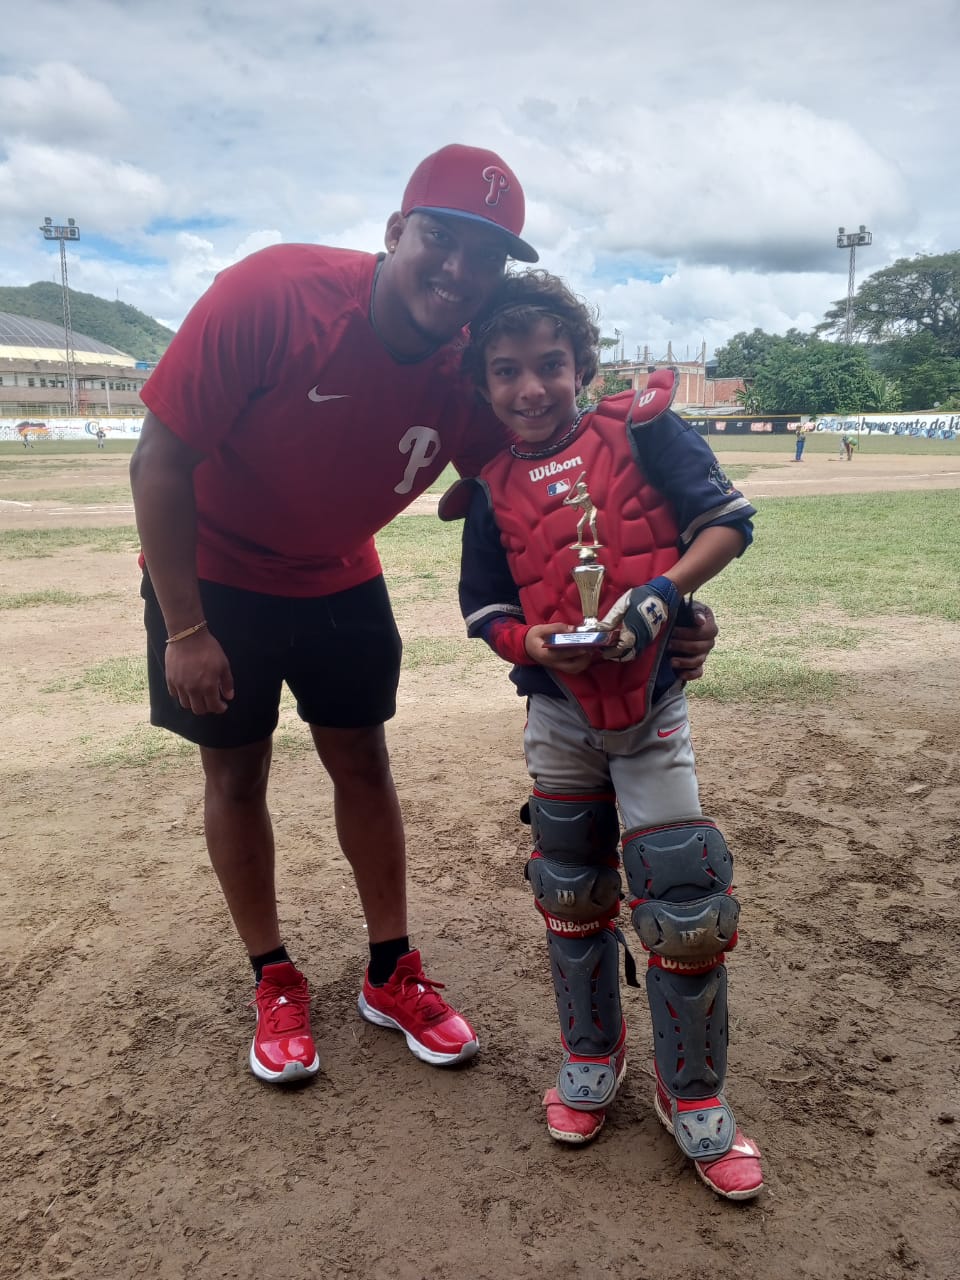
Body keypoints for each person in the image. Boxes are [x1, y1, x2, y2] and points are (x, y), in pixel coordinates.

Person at [128, 143, 719, 1092]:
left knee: (363, 759)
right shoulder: (272, 294)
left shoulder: (471, 368)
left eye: (486, 256)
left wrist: (674, 607)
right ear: (397, 231)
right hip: (216, 574)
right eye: (441, 239)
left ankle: (390, 966)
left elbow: (569, 510)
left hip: (338, 577)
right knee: (235, 772)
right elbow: (157, 459)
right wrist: (187, 627)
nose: (459, 271)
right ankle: (273, 974)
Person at [442, 270, 764, 1201]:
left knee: (687, 903)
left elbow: (726, 522)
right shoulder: (489, 489)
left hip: (651, 701)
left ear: (581, 362)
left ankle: (693, 1093)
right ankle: (591, 1054)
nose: (530, 388)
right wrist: (529, 640)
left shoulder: (645, 431)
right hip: (556, 711)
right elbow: (487, 609)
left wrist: (667, 598)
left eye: (549, 365)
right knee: (572, 891)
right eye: (506, 372)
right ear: (484, 384)